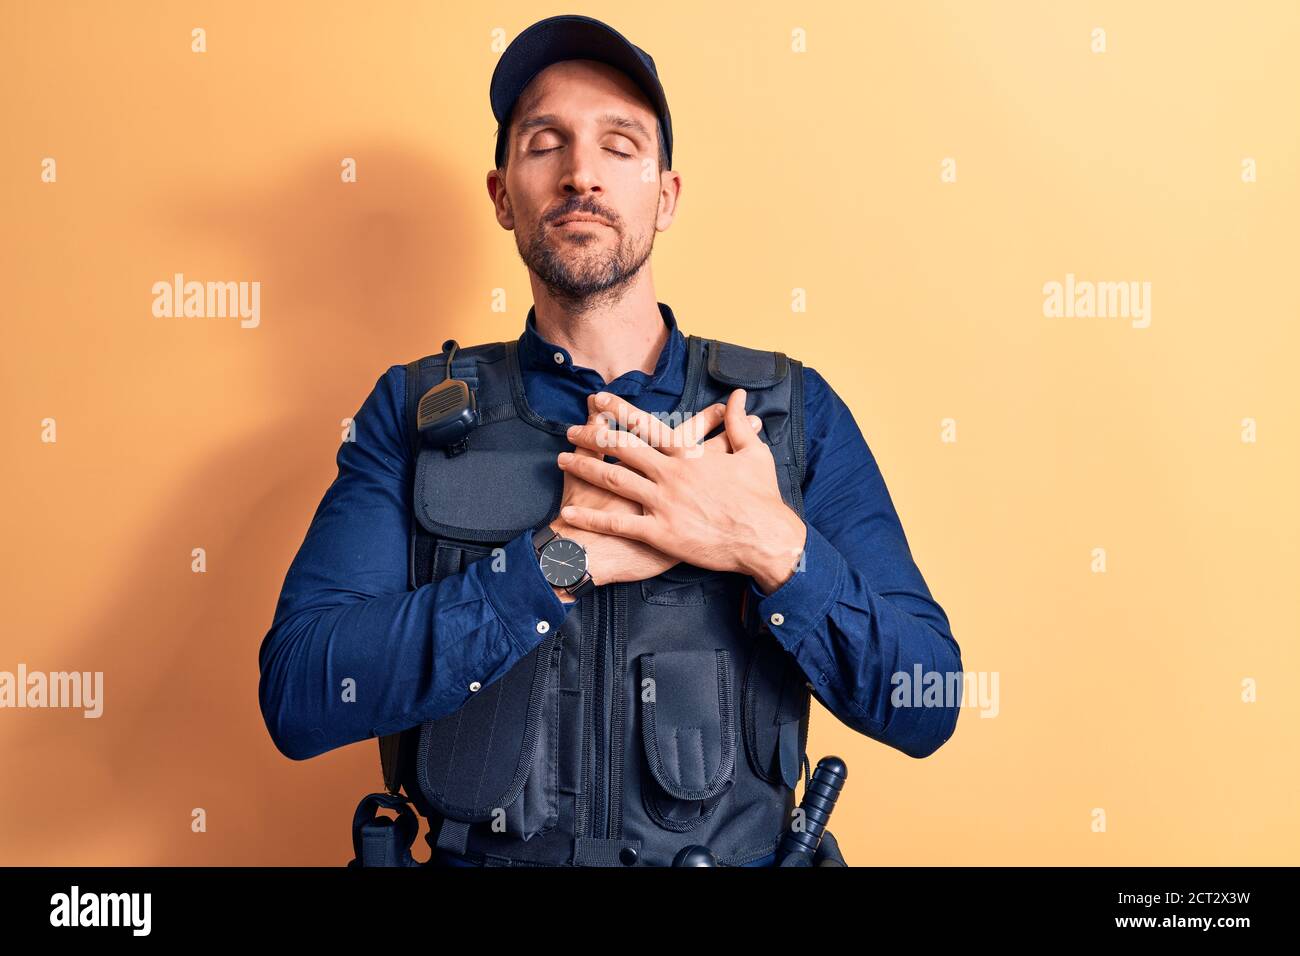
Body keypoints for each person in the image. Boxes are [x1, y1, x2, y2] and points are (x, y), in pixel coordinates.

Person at [259, 14, 962, 868]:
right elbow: (297, 694)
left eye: (619, 146)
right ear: (502, 194)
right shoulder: (413, 412)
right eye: (544, 144)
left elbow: (929, 701)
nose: (580, 173)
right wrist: (551, 563)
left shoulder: (787, 415)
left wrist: (767, 542)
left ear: (665, 195)